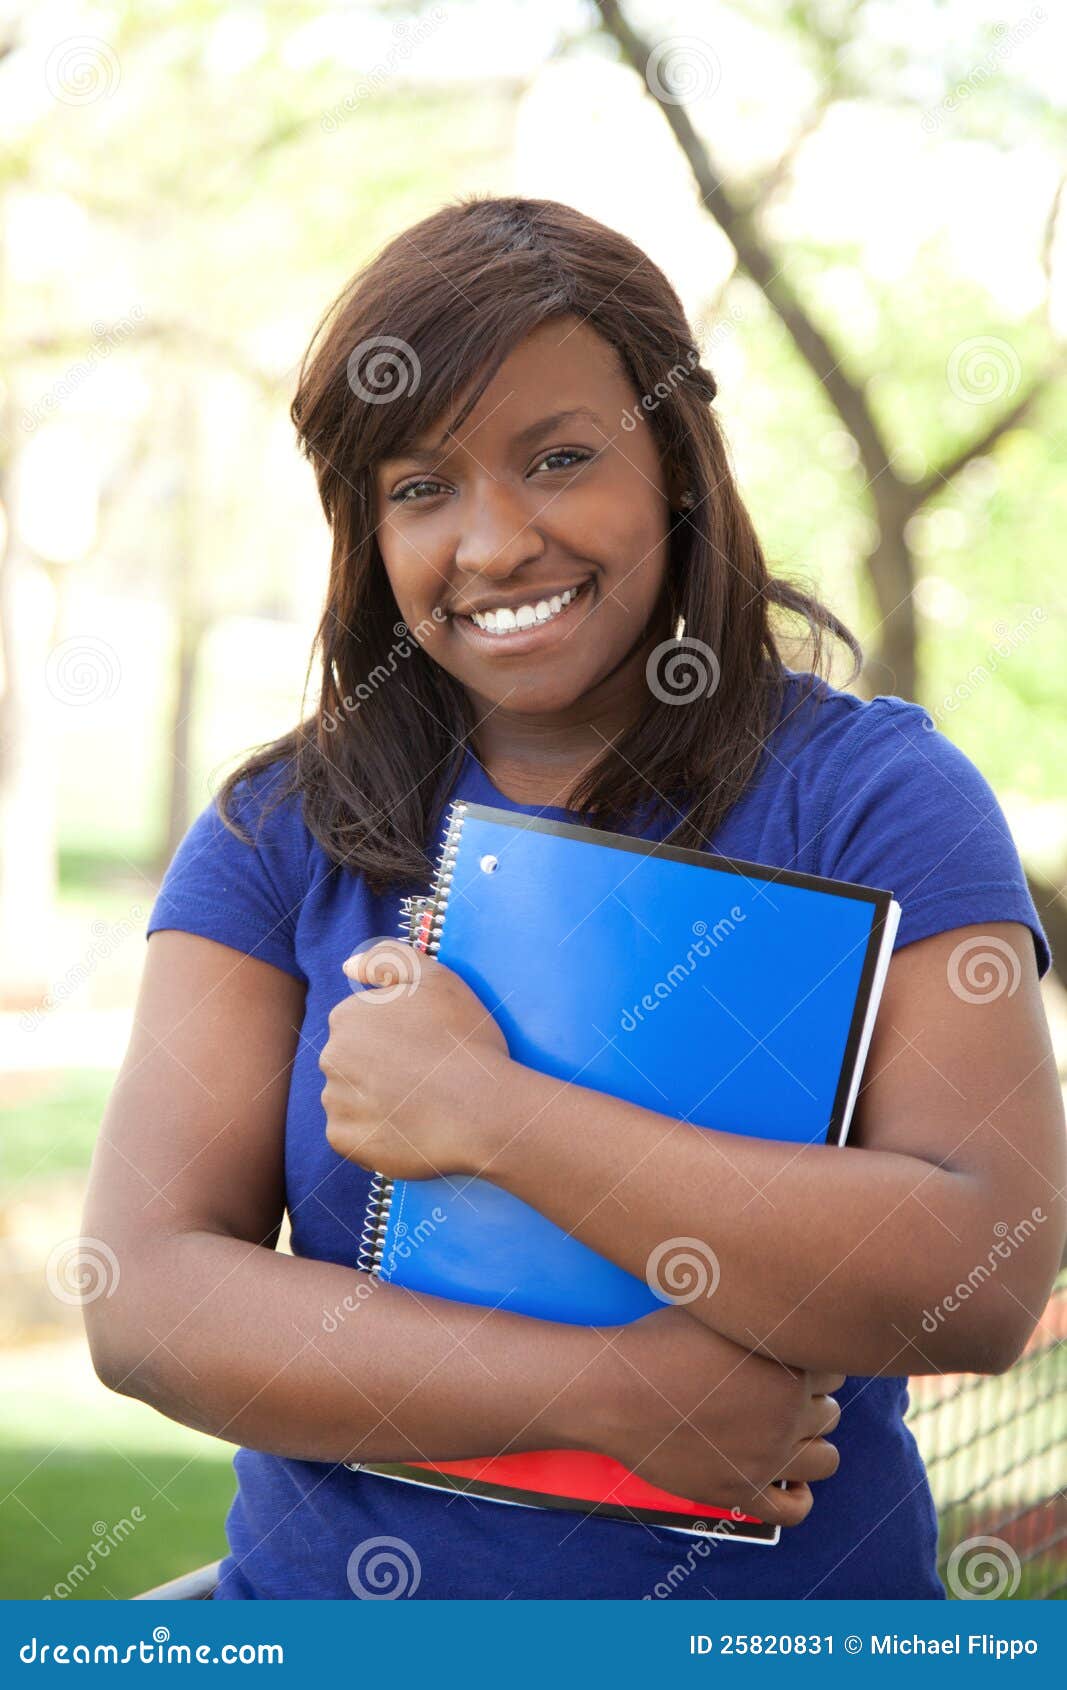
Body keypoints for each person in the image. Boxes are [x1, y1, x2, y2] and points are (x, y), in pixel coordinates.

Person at [82, 195, 1065, 1600]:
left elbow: (983, 1274)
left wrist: (492, 1115)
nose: (494, 544)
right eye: (422, 487)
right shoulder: (279, 831)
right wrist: (606, 1393)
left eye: (558, 459)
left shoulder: (872, 798)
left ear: (676, 464)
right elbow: (145, 1295)